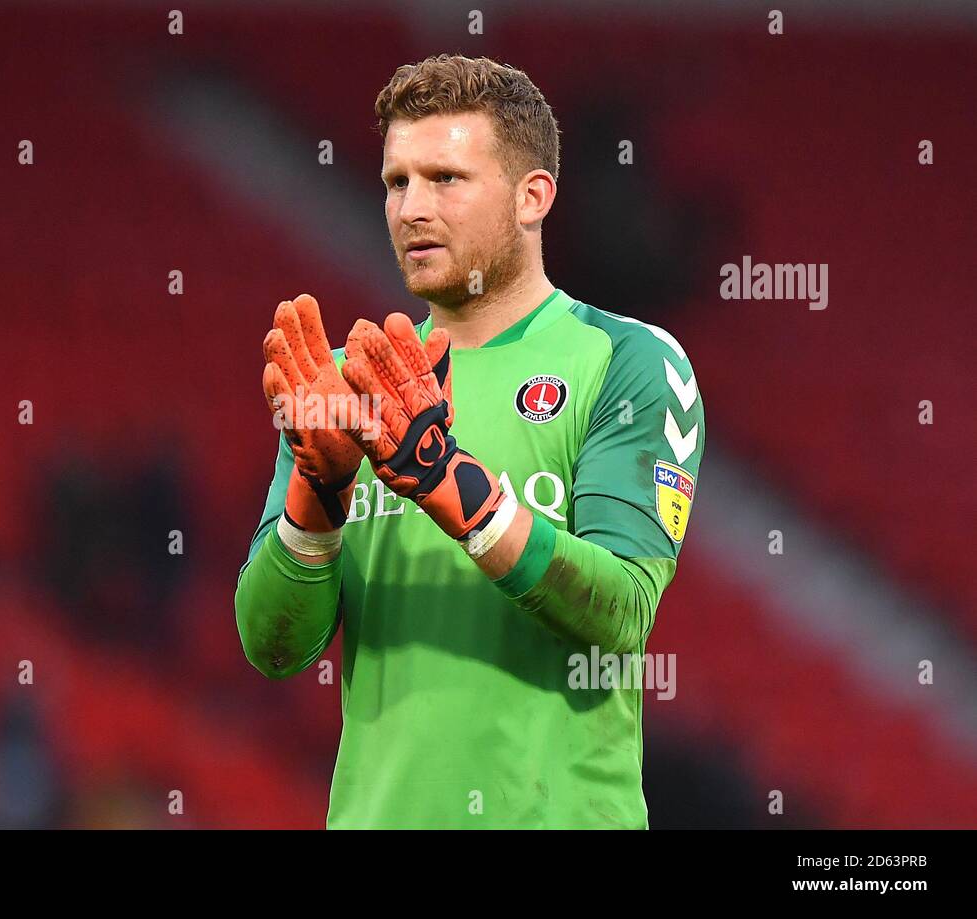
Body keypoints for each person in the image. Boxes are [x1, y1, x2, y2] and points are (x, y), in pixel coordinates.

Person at [235, 54, 704, 829]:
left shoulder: (629, 360)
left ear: (533, 196)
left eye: (445, 178)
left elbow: (621, 611)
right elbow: (272, 646)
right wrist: (315, 496)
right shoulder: (349, 382)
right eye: (397, 181)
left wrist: (445, 477)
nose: (412, 207)